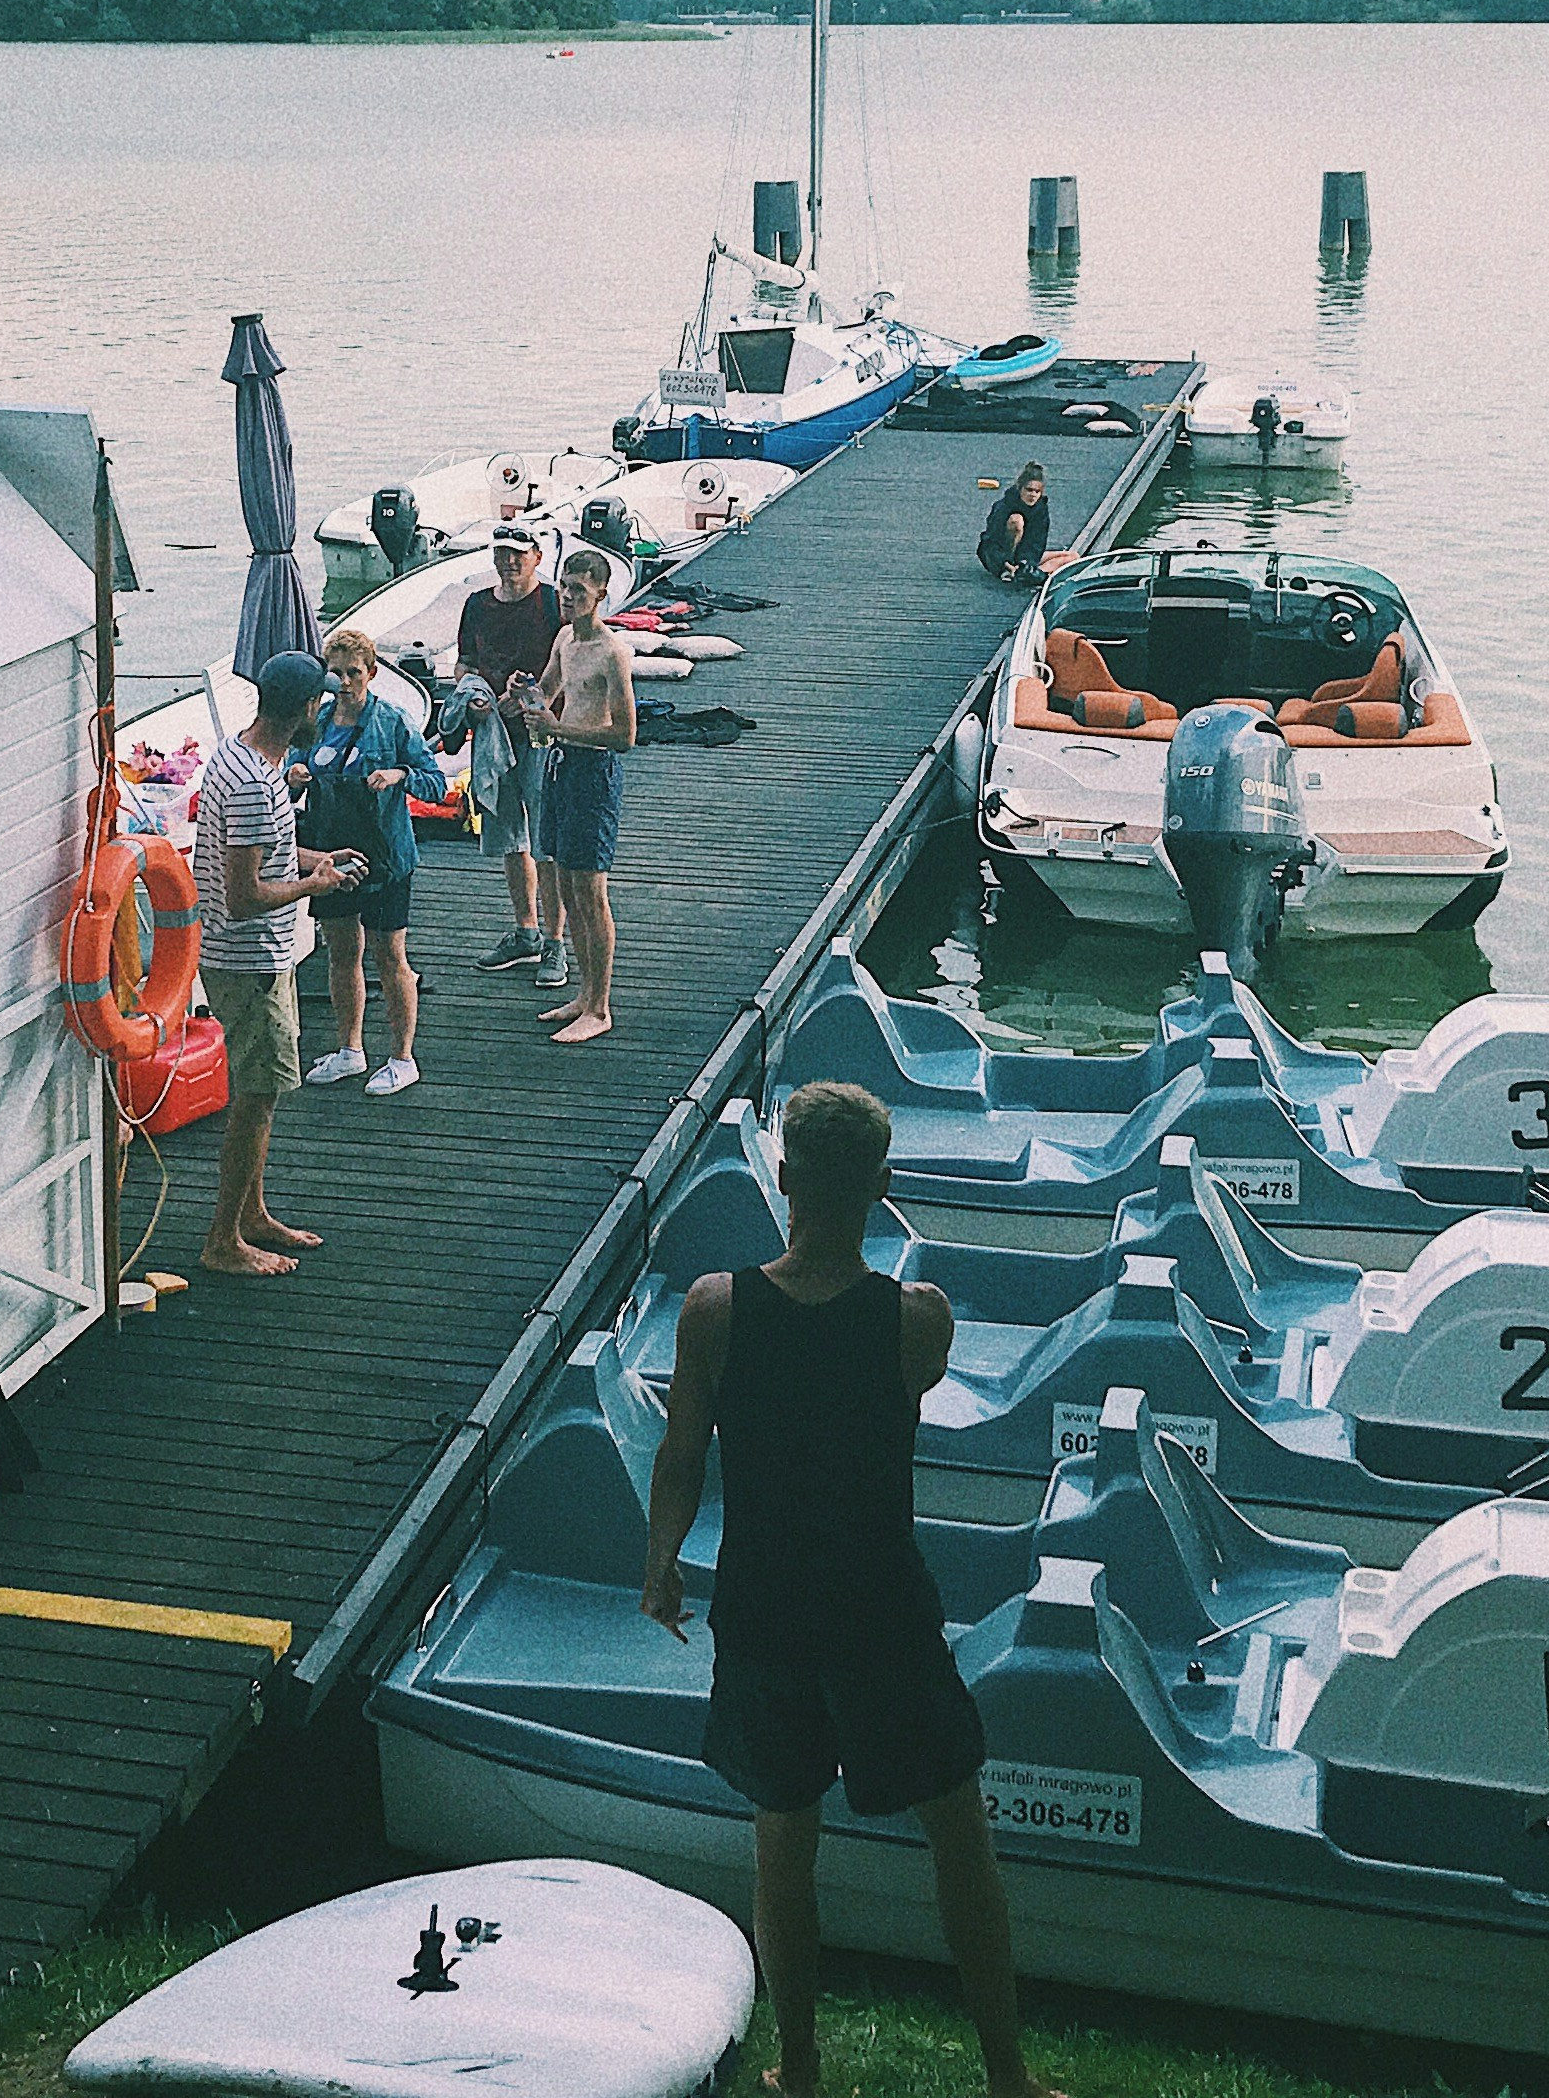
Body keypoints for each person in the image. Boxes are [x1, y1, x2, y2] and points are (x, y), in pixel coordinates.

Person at [641, 1081, 1059, 2098]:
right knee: (958, 1837)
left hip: (765, 1604)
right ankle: (1006, 2075)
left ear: (780, 1178)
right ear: (883, 1183)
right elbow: (880, 1391)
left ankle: (803, 2067)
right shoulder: (918, 1320)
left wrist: (659, 1565)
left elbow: (682, 1458)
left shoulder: (714, 1310)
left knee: (782, 1843)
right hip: (879, 1605)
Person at [192, 651, 364, 1279]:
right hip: (249, 960)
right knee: (257, 1096)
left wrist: (318, 856)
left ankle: (253, 1213)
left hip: (249, 956)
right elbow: (244, 897)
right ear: (306, 708)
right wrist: (315, 885)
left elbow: (267, 854)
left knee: (262, 1092)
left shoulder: (236, 755)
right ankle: (223, 1239)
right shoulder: (259, 787)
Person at [301, 627, 436, 1097]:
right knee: (341, 951)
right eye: (334, 673)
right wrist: (294, 774)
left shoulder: (392, 722)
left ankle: (403, 1057)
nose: (343, 682)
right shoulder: (315, 723)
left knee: (389, 954)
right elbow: (287, 773)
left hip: (386, 854)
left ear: (371, 673)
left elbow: (434, 781)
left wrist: (399, 773)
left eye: (352, 672)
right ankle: (349, 1049)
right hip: (331, 852)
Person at [527, 545, 635, 1046]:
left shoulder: (612, 653)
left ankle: (601, 1006)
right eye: (564, 588)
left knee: (591, 893)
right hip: (562, 766)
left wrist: (560, 728)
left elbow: (625, 736)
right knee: (567, 886)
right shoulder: (565, 638)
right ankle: (584, 994)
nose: (568, 598)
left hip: (593, 771)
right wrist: (521, 696)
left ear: (601, 596)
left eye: (579, 592)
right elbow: (546, 691)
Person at [460, 524, 566, 986]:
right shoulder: (477, 605)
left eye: (519, 553)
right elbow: (464, 662)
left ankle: (556, 942)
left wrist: (527, 699)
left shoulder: (551, 605)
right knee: (508, 836)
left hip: (541, 733)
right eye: (502, 552)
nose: (510, 561)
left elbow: (568, 660)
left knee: (546, 838)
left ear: (538, 557)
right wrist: (474, 695)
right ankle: (526, 931)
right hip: (493, 737)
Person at [977, 465, 1052, 588]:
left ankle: (1026, 571)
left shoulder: (1041, 510)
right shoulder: (1004, 506)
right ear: (1020, 489)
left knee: (1072, 557)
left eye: (1037, 491)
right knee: (1016, 521)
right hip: (998, 557)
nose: (1033, 495)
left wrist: (1026, 562)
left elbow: (1038, 543)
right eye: (1029, 490)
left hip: (1022, 555)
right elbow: (990, 542)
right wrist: (1003, 562)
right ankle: (1010, 568)